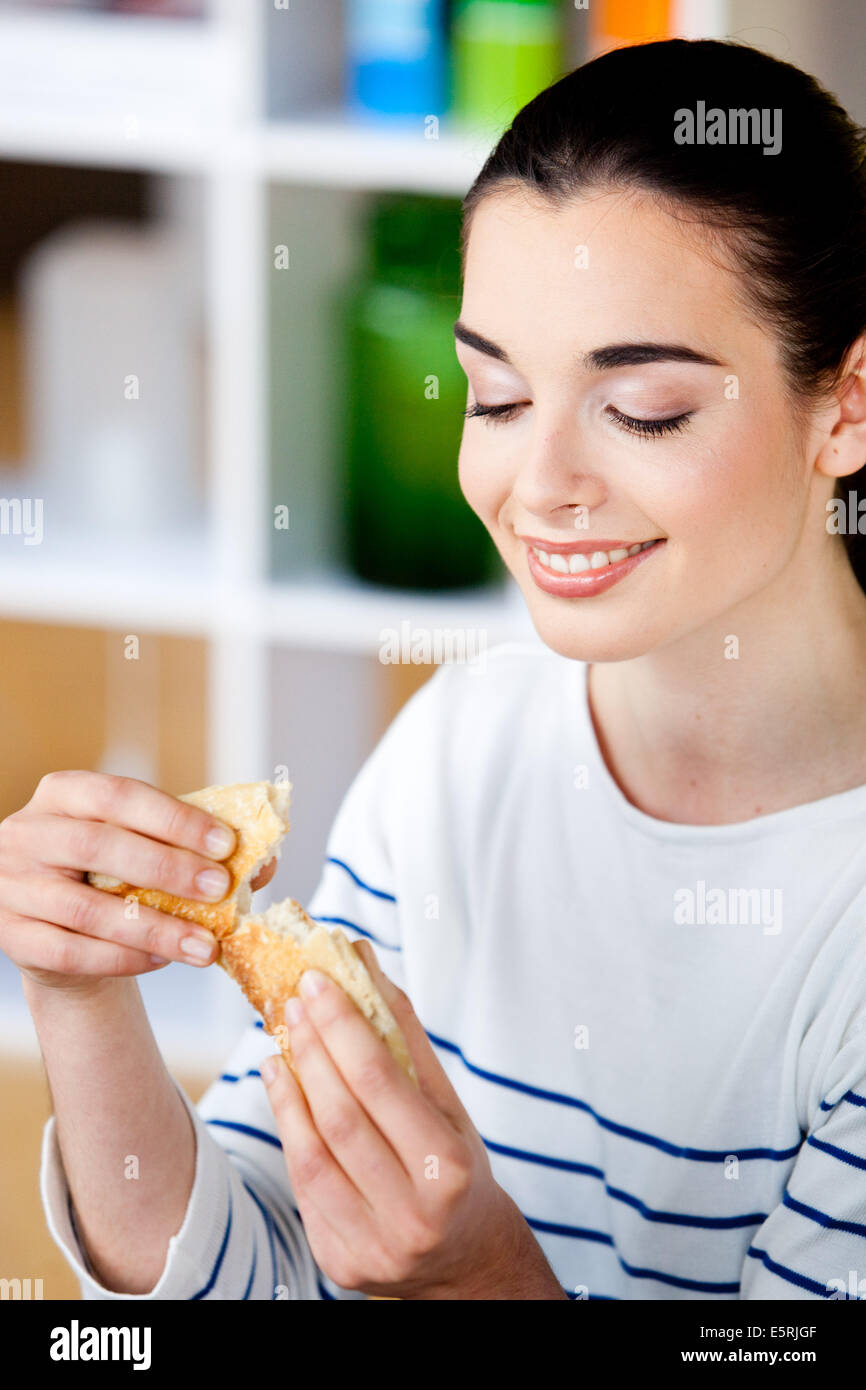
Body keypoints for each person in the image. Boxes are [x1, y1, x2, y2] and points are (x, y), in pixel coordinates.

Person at [4, 37, 866, 1300]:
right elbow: (251, 1270)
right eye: (495, 397)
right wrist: (78, 996)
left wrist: (479, 1277)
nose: (544, 487)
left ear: (843, 403)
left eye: (643, 410)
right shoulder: (460, 745)